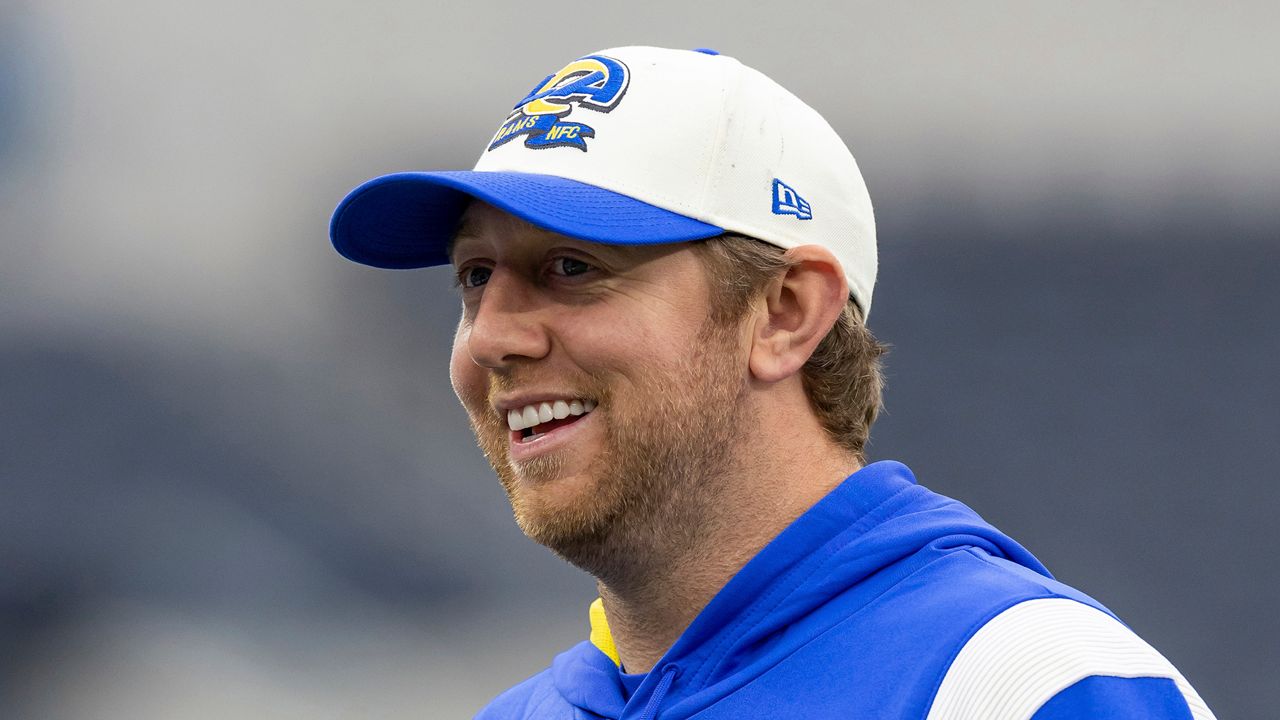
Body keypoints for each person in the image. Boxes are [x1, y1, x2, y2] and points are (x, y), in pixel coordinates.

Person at [330, 46, 1216, 720]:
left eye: (569, 266)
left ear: (787, 313)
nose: (491, 337)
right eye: (474, 277)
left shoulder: (1024, 685)